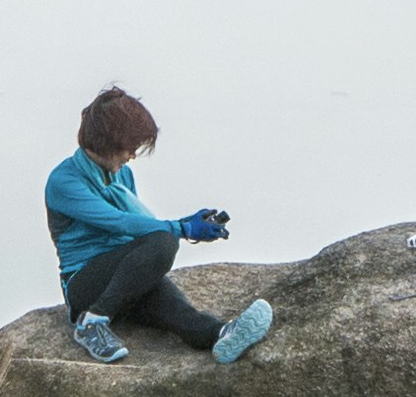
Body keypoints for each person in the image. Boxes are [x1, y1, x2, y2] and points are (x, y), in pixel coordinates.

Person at [44, 86, 275, 366]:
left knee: (172, 306)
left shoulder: (121, 175)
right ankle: (90, 323)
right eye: (129, 147)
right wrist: (182, 229)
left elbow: (140, 228)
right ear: (106, 141)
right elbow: (119, 222)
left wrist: (186, 226)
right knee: (163, 241)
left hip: (123, 274)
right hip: (85, 282)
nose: (132, 155)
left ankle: (221, 335)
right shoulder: (64, 182)